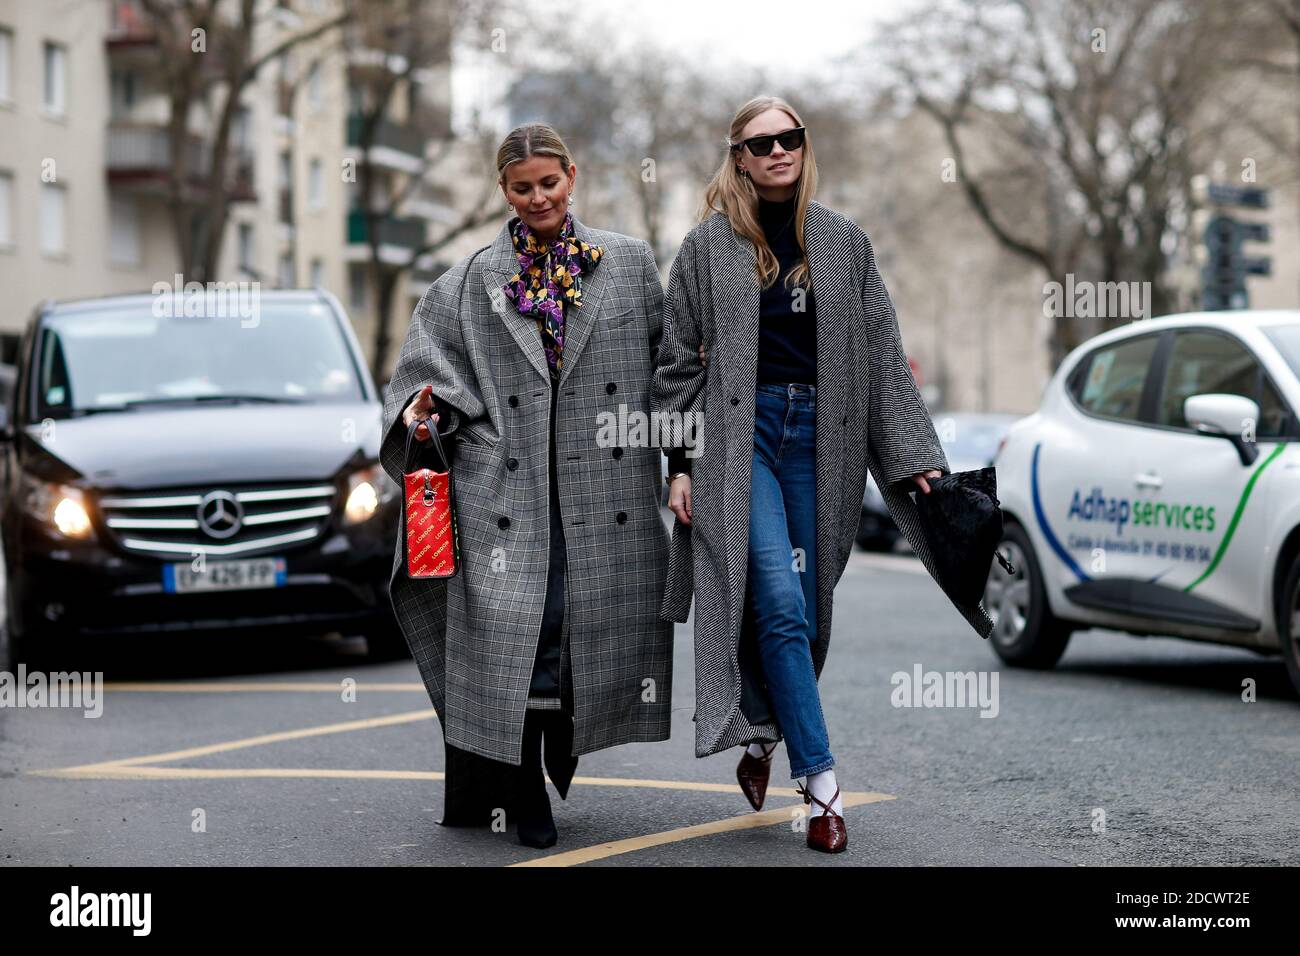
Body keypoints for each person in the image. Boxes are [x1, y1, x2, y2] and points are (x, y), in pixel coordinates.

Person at [651, 95, 952, 854]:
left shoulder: (845, 243)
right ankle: (822, 786)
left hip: (823, 439)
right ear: (740, 158)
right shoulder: (707, 248)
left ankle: (760, 738)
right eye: (762, 142)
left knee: (808, 609)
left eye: (791, 138)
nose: (779, 150)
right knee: (779, 602)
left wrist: (917, 456)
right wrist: (680, 463)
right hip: (738, 437)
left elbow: (883, 355)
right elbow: (676, 364)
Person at [380, 123, 673, 849]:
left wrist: (683, 463)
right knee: (525, 636)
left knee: (584, 632)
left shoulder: (630, 265)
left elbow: (671, 375)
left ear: (572, 176)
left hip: (603, 496)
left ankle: (554, 755)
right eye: (521, 187)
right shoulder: (470, 279)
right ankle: (521, 784)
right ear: (503, 191)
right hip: (504, 497)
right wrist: (426, 409)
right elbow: (423, 370)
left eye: (549, 182)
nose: (538, 197)